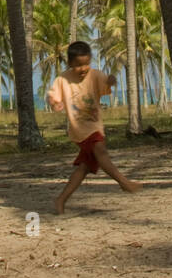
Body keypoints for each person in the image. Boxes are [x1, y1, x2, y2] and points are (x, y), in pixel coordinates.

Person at [47, 40, 141, 214]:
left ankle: (60, 200)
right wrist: (54, 103)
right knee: (101, 151)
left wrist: (111, 81)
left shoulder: (95, 75)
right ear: (69, 63)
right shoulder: (62, 80)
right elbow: (53, 96)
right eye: (78, 65)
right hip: (80, 130)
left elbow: (105, 86)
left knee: (83, 168)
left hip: (95, 126)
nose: (83, 69)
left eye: (86, 64)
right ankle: (124, 182)